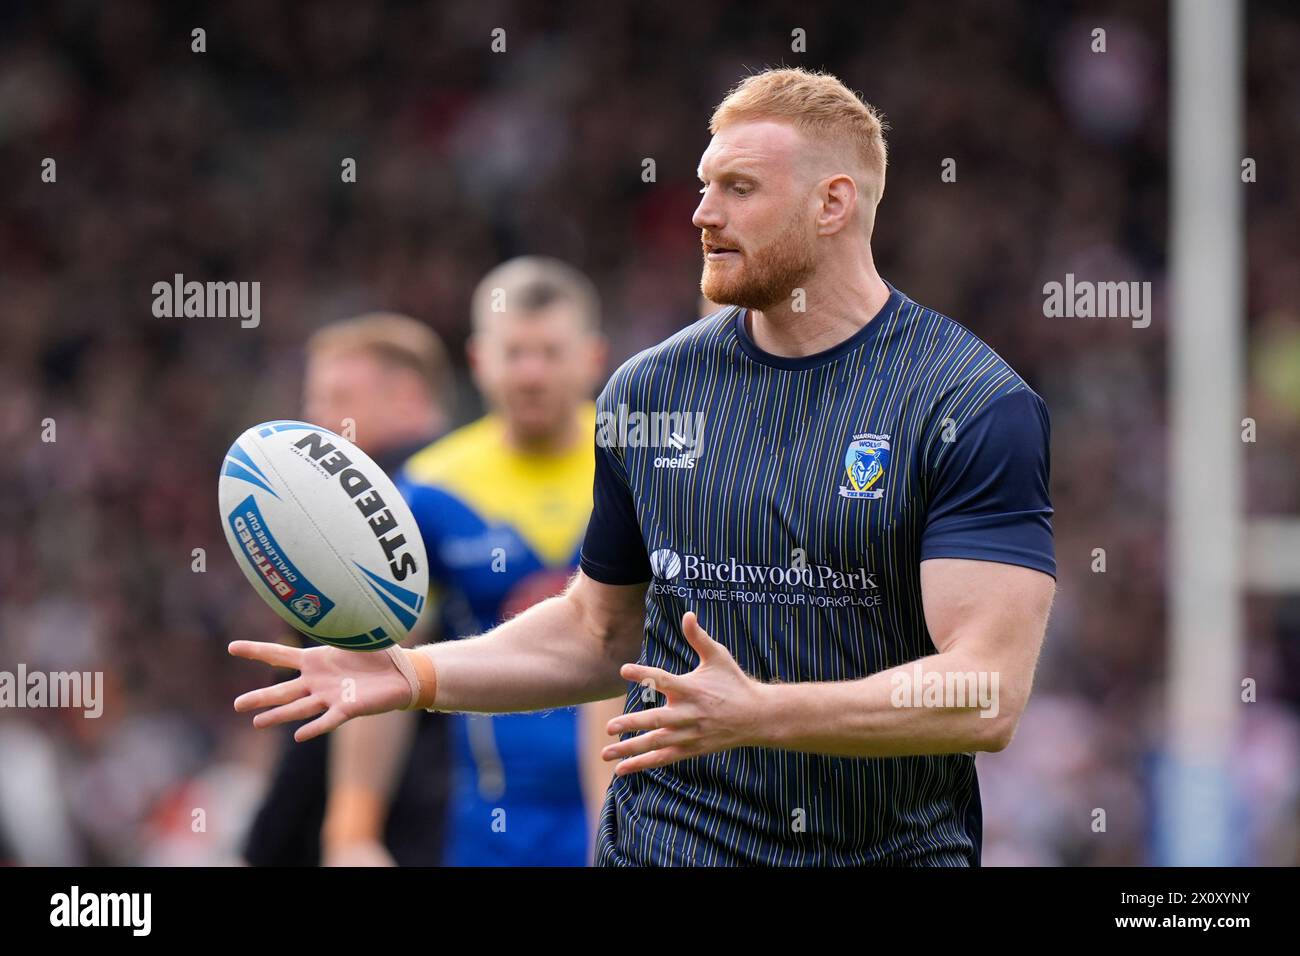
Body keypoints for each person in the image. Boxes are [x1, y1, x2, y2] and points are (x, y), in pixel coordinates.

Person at [231, 67, 1056, 867]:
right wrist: (412, 671)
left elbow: (984, 690)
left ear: (833, 203)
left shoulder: (970, 404)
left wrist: (764, 714)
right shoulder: (650, 391)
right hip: (667, 843)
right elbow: (598, 629)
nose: (701, 212)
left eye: (738, 189)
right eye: (703, 185)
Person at [328, 257, 622, 866]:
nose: (532, 372)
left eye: (550, 351)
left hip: (642, 812)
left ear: (593, 358)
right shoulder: (428, 491)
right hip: (490, 830)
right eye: (515, 352)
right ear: (478, 360)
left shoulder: (640, 467)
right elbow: (386, 659)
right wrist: (351, 832)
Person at [242, 312, 453, 867]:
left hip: (398, 814)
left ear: (407, 395)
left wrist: (276, 842)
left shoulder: (383, 509)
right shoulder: (468, 485)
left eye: (334, 395)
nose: (313, 418)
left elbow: (334, 692)